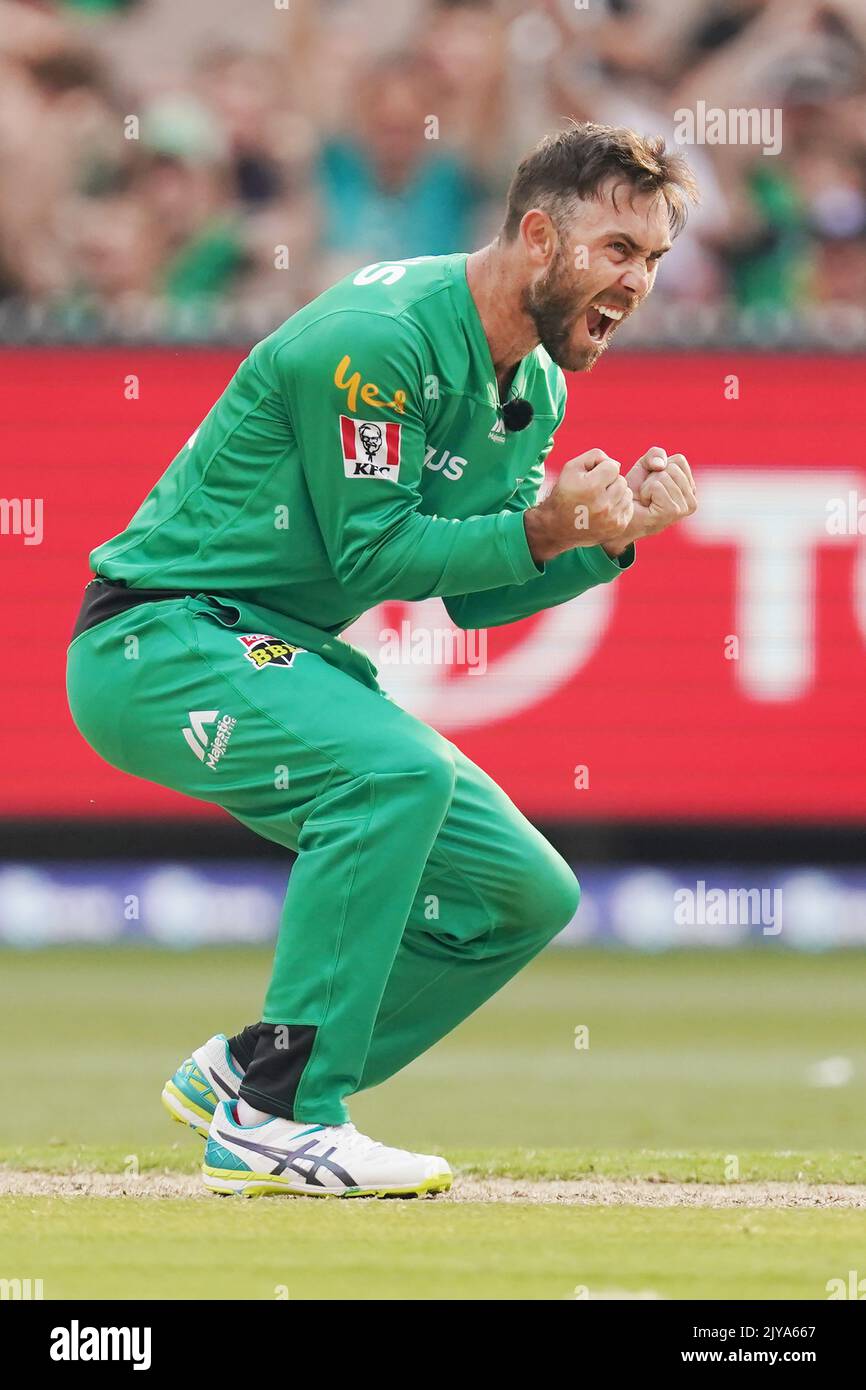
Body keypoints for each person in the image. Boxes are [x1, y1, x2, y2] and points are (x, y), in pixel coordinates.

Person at [66, 122, 699, 1199]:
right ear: (538, 236)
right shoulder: (379, 335)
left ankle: (251, 1071)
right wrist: (548, 528)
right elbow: (377, 548)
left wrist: (601, 538)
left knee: (522, 892)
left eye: (651, 260)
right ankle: (278, 1118)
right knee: (389, 773)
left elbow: (471, 591)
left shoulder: (532, 387)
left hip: (272, 649)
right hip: (157, 638)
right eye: (615, 251)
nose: (636, 282)